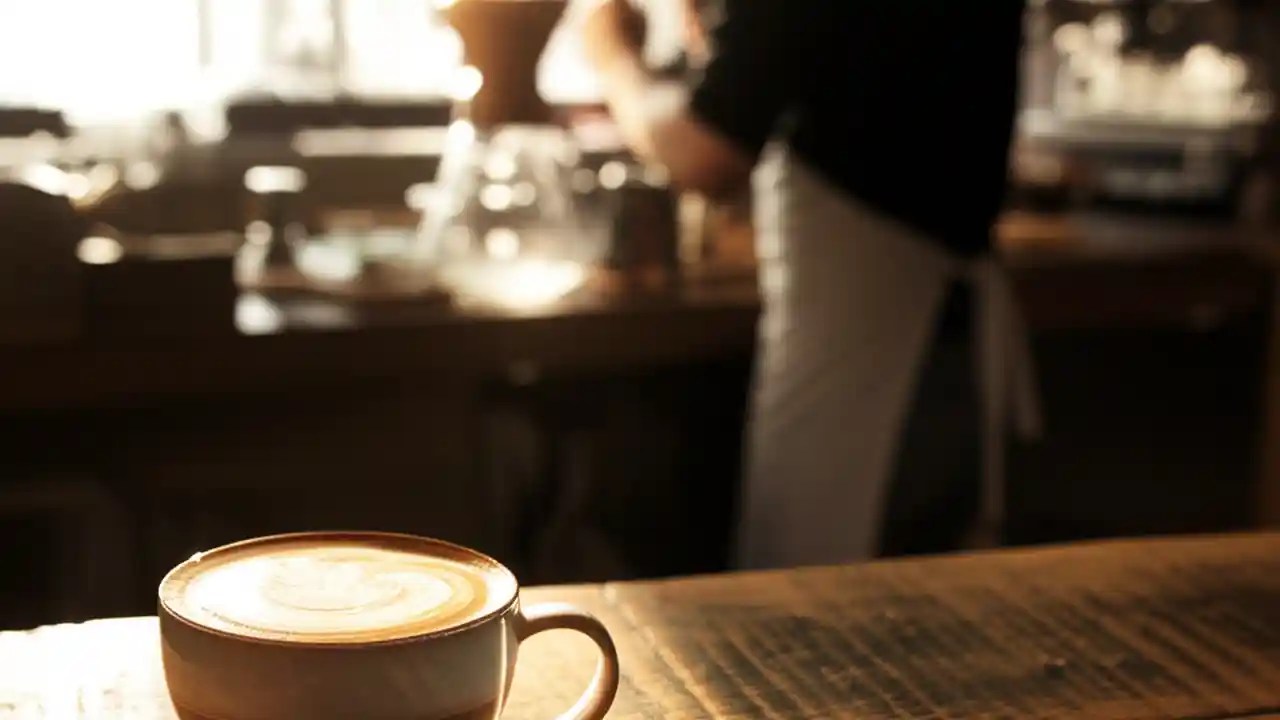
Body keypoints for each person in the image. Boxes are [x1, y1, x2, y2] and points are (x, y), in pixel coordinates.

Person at [582, 0, 1039, 569]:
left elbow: (703, 154)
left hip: (878, 346)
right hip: (932, 326)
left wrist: (612, 52)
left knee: (830, 612)